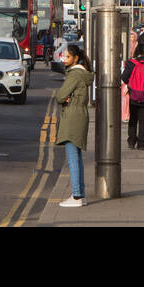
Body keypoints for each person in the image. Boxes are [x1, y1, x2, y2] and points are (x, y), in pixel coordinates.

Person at [54, 44, 94, 208]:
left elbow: (60, 96)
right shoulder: (81, 74)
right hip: (80, 116)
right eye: (64, 56)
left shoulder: (74, 75)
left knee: (72, 159)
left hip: (72, 118)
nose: (64, 59)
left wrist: (65, 97)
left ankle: (76, 196)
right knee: (76, 158)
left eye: (68, 57)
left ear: (76, 58)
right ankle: (80, 195)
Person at [122, 42, 144, 149]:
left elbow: (124, 77)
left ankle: (131, 141)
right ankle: (142, 143)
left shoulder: (131, 63)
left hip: (133, 95)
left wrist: (132, 84)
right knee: (143, 121)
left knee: (133, 119)